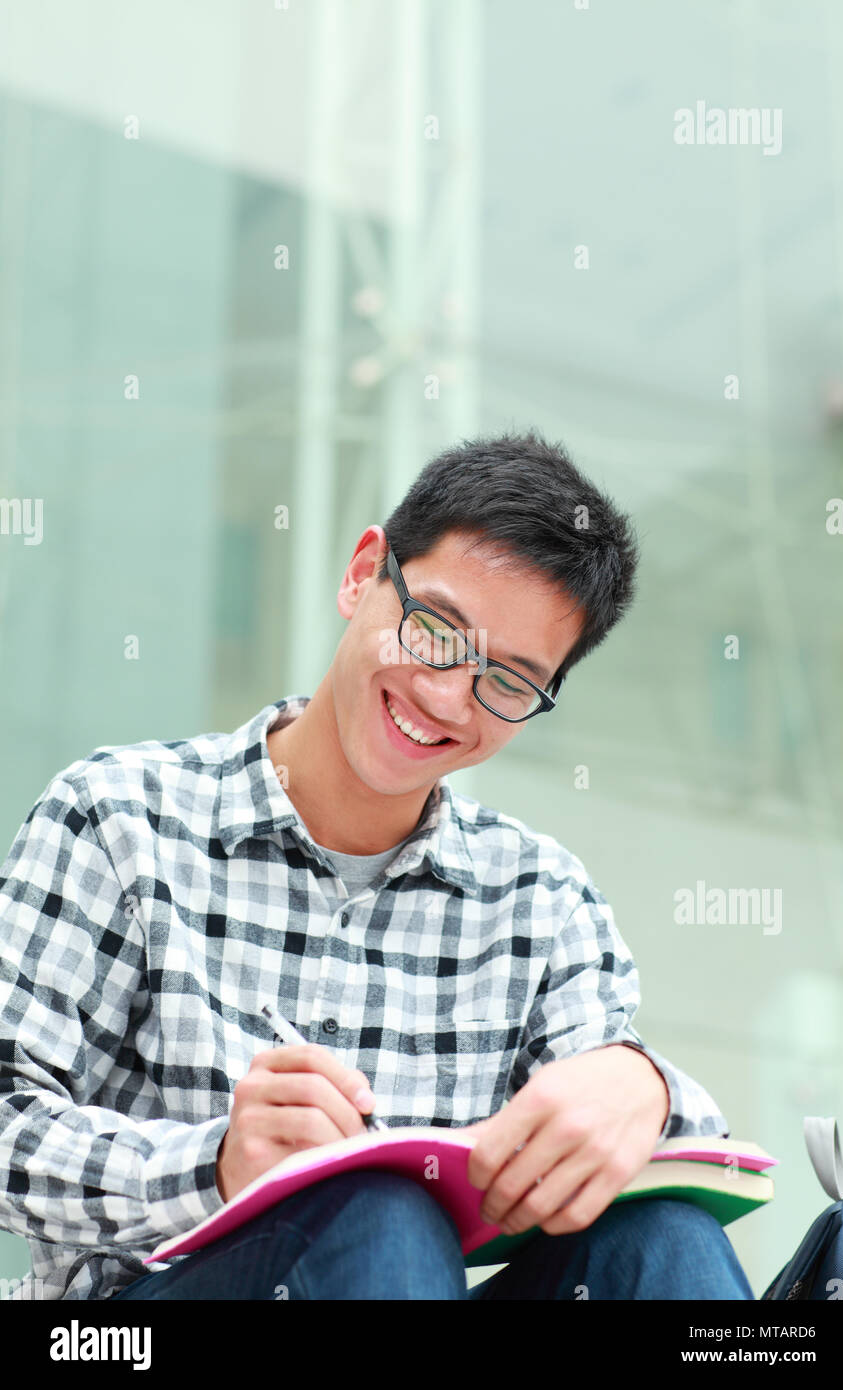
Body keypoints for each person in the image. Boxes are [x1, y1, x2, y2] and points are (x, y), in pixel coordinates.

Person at [0, 430, 753, 1300]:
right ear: (364, 573)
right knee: (376, 1214)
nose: (446, 696)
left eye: (508, 680)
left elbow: (669, 1154)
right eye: (435, 628)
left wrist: (642, 1086)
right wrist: (214, 1166)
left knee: (666, 1234)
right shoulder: (119, 816)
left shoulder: (539, 902)